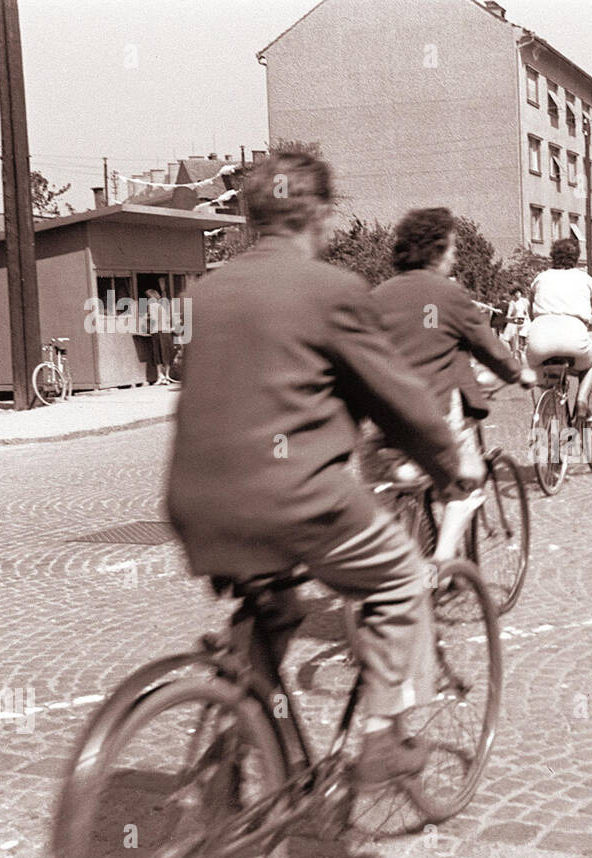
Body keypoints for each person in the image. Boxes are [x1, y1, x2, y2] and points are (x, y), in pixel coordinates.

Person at [166, 150, 480, 787]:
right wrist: (451, 467)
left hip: (196, 501)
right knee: (399, 579)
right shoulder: (330, 289)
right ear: (319, 215)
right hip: (294, 495)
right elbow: (397, 399)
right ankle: (382, 738)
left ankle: (241, 731)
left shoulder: (208, 290)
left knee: (274, 605)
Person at [369, 207, 536, 560]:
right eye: (453, 249)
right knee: (469, 482)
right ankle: (442, 565)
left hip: (380, 421)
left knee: (409, 484)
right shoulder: (447, 294)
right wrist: (519, 373)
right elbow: (489, 348)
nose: (455, 257)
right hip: (433, 416)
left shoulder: (376, 296)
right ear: (438, 251)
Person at [525, 238, 592, 419]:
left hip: (540, 338)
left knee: (538, 371)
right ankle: (582, 401)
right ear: (576, 257)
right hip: (574, 338)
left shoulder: (540, 278)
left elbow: (530, 309)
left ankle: (546, 408)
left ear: (552, 256)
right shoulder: (586, 279)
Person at [141, 284, 173, 385]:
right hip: (166, 331)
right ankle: (167, 376)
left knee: (157, 354)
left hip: (157, 331)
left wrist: (146, 319)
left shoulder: (151, 306)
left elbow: (154, 319)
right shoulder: (162, 307)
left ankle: (160, 376)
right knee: (166, 354)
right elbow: (168, 319)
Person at [506, 287, 530, 356]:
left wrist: (527, 316)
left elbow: (529, 310)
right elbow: (508, 315)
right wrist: (513, 317)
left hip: (525, 321)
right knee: (514, 338)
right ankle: (516, 352)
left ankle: (523, 351)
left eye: (519, 293)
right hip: (516, 322)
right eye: (516, 293)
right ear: (513, 294)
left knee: (524, 336)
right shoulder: (512, 303)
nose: (518, 294)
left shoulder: (524, 301)